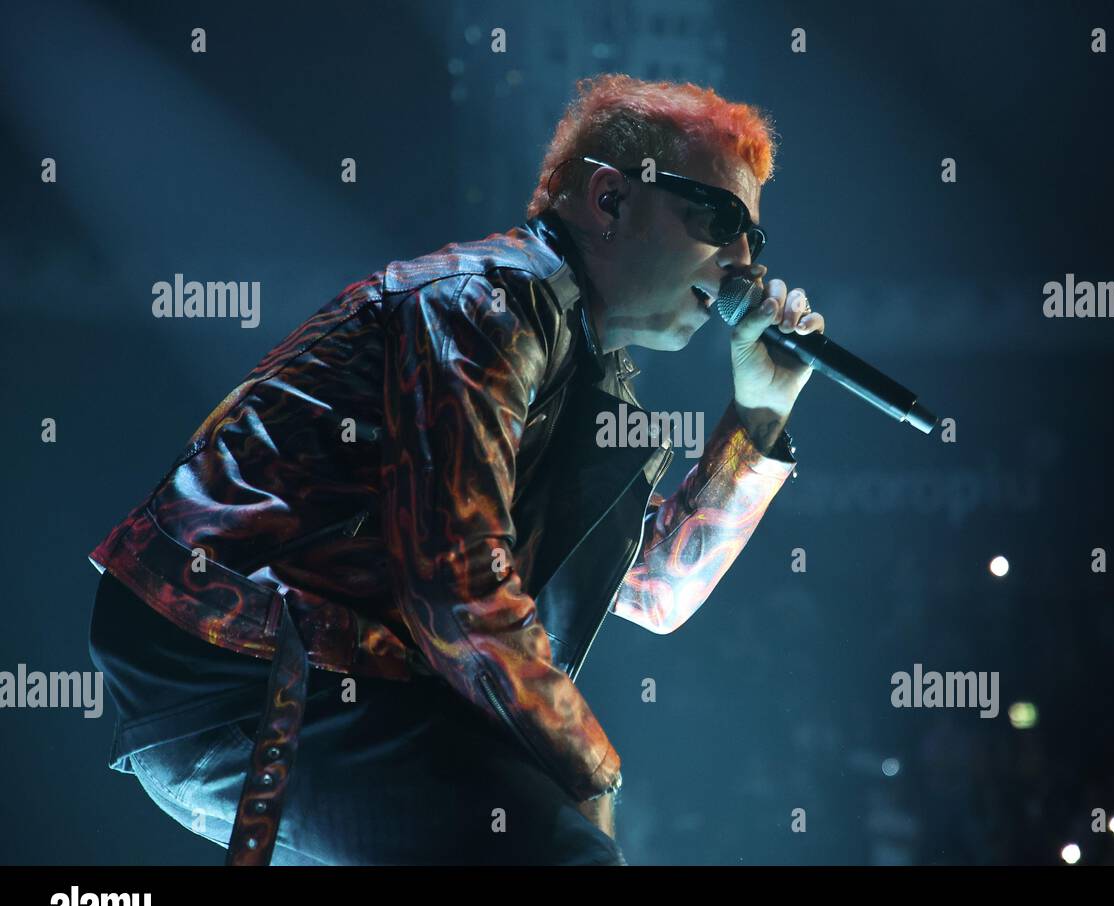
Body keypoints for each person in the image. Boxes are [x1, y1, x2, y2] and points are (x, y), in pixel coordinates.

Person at [86, 73, 825, 865]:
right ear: (610, 201)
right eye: (718, 219)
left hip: (337, 668)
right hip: (227, 657)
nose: (745, 264)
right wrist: (592, 770)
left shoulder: (588, 374)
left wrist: (758, 417)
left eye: (756, 239)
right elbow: (456, 591)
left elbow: (652, 593)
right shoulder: (484, 306)